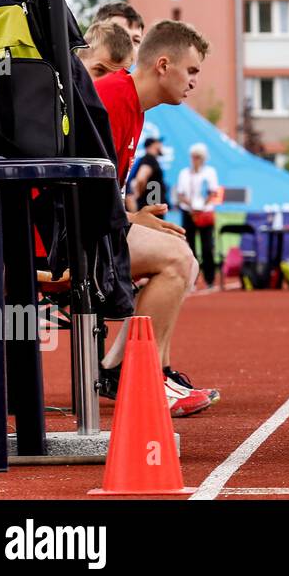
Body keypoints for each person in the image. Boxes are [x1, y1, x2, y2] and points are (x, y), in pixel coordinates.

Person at [93, 20, 219, 415]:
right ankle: (141, 377)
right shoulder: (112, 99)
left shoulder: (133, 106)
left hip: (92, 226)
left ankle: (132, 370)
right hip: (65, 237)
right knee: (176, 258)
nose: (194, 82)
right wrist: (127, 221)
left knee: (184, 253)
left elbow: (101, 188)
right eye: (192, 70)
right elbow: (81, 189)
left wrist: (131, 216)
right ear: (163, 65)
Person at [175, 143, 220, 289]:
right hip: (188, 212)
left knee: (207, 247)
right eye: (193, 157)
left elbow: (213, 192)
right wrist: (191, 206)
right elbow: (180, 194)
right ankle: (191, 280)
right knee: (190, 247)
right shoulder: (184, 173)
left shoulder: (210, 172)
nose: (195, 160)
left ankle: (210, 279)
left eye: (198, 157)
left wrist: (201, 206)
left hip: (204, 213)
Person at [128, 134, 166, 213]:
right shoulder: (149, 158)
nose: (161, 145)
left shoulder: (145, 159)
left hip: (149, 209)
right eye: (158, 143)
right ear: (152, 145)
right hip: (150, 209)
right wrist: (136, 196)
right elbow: (141, 179)